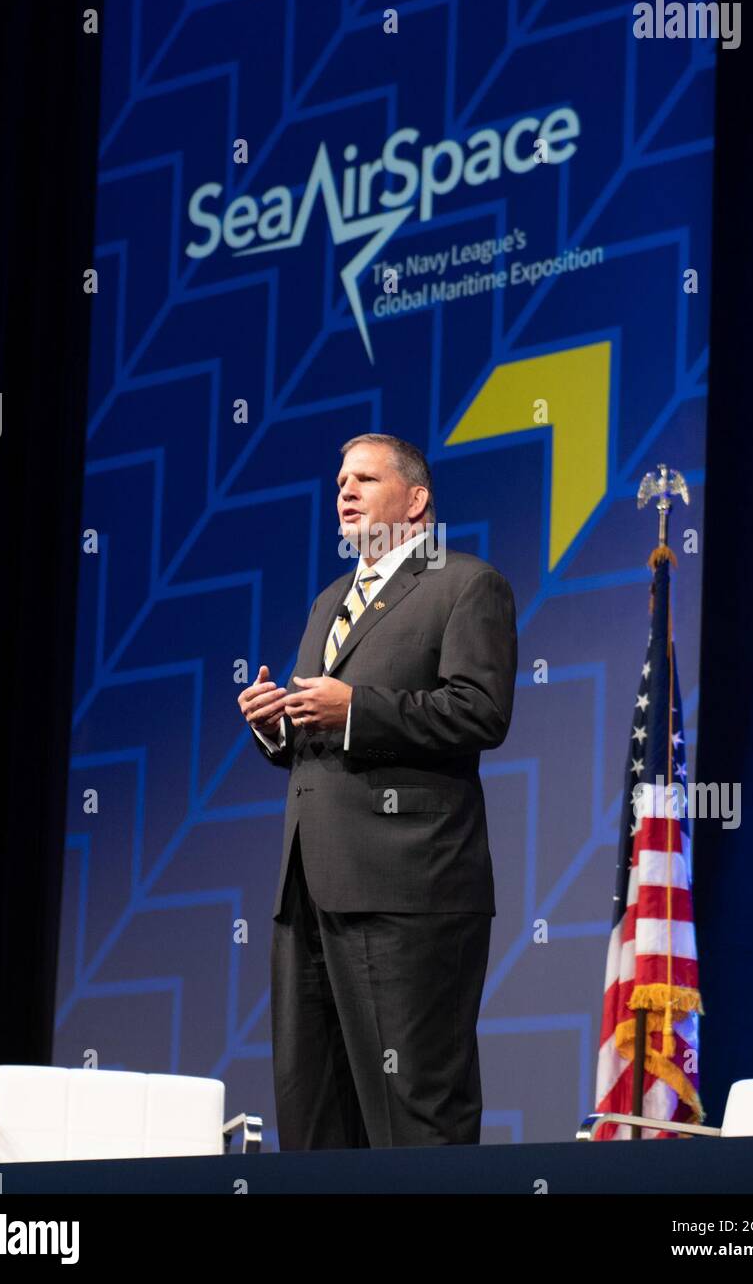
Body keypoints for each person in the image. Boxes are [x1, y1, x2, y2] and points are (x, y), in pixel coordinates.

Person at [237, 432, 517, 1149]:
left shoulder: (465, 583)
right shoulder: (331, 599)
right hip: (309, 891)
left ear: (416, 500)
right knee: (314, 1119)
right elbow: (318, 734)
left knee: (414, 1116)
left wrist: (355, 708)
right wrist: (277, 725)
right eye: (339, 482)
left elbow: (480, 711)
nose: (346, 491)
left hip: (409, 893)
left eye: (364, 477)